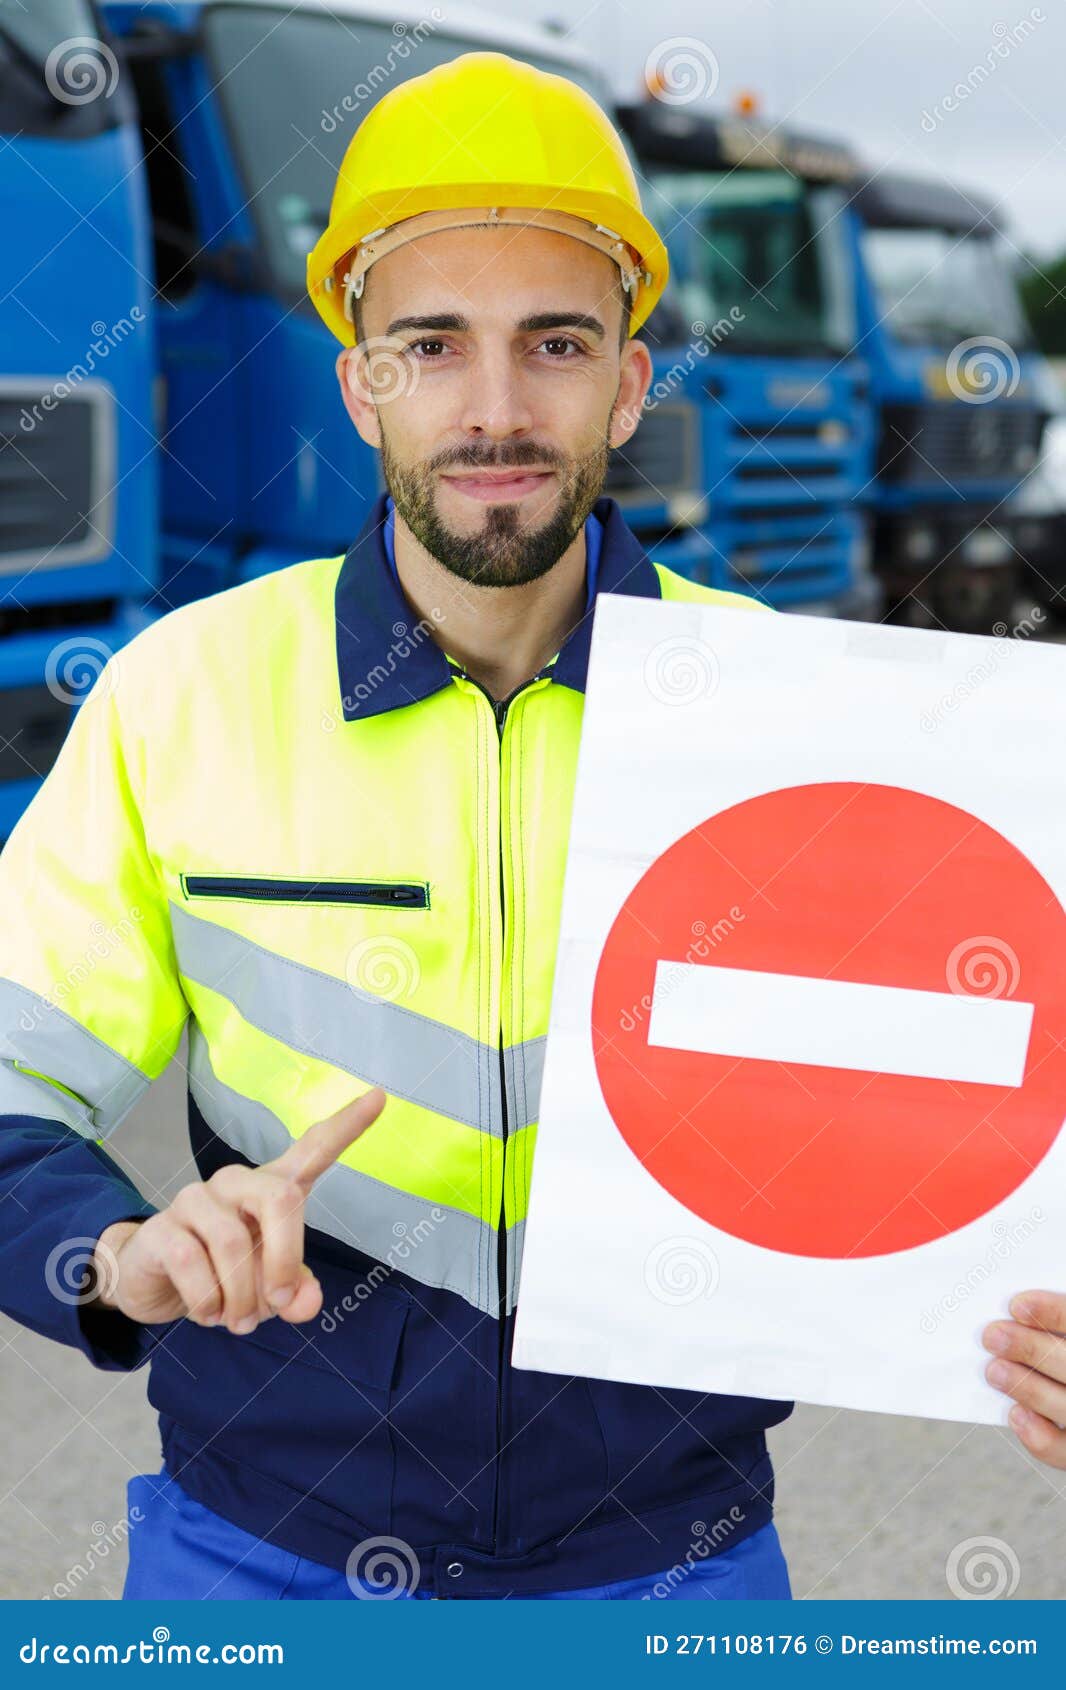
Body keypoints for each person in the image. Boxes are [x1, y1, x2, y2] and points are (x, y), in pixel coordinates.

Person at [0, 51, 1061, 1607]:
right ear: (359, 378)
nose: (494, 410)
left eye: (554, 343)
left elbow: (979, 1086)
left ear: (629, 382)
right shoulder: (185, 692)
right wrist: (112, 1256)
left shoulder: (794, 717)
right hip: (256, 1552)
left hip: (668, 1566)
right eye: (431, 345)